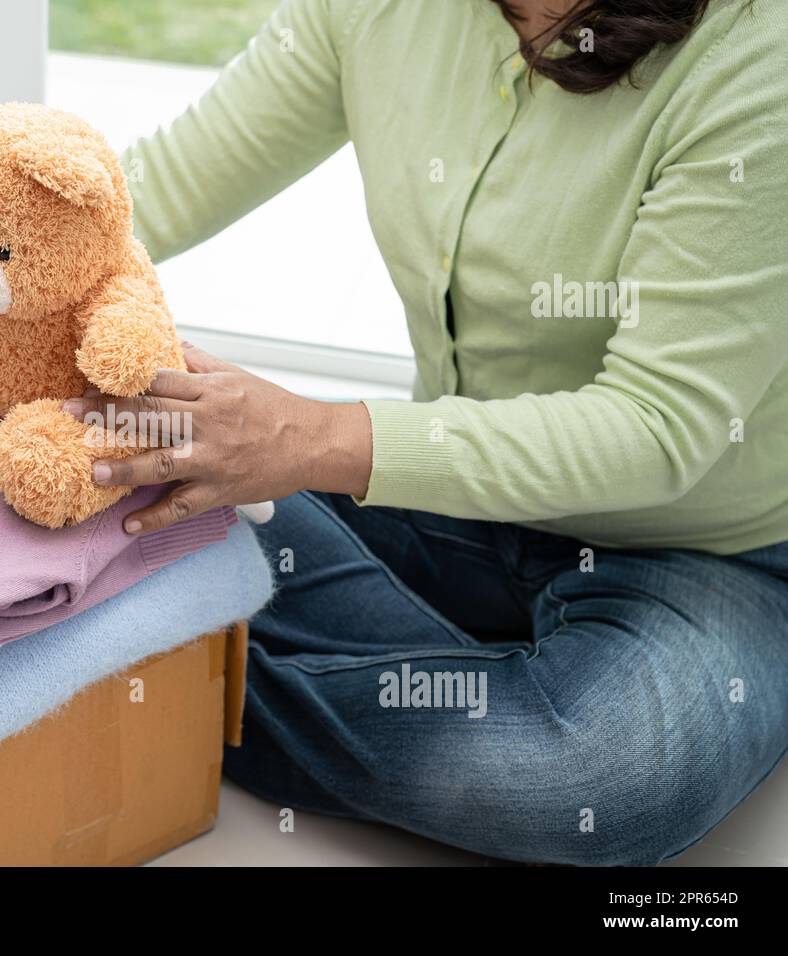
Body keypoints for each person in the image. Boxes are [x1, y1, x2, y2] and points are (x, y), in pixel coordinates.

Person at [63, 0, 788, 865]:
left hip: (706, 553)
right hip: (445, 500)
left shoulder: (759, 51)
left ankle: (115, 675)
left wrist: (309, 438)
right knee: (114, 448)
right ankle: (172, 658)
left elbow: (658, 427)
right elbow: (163, 185)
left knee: (594, 780)